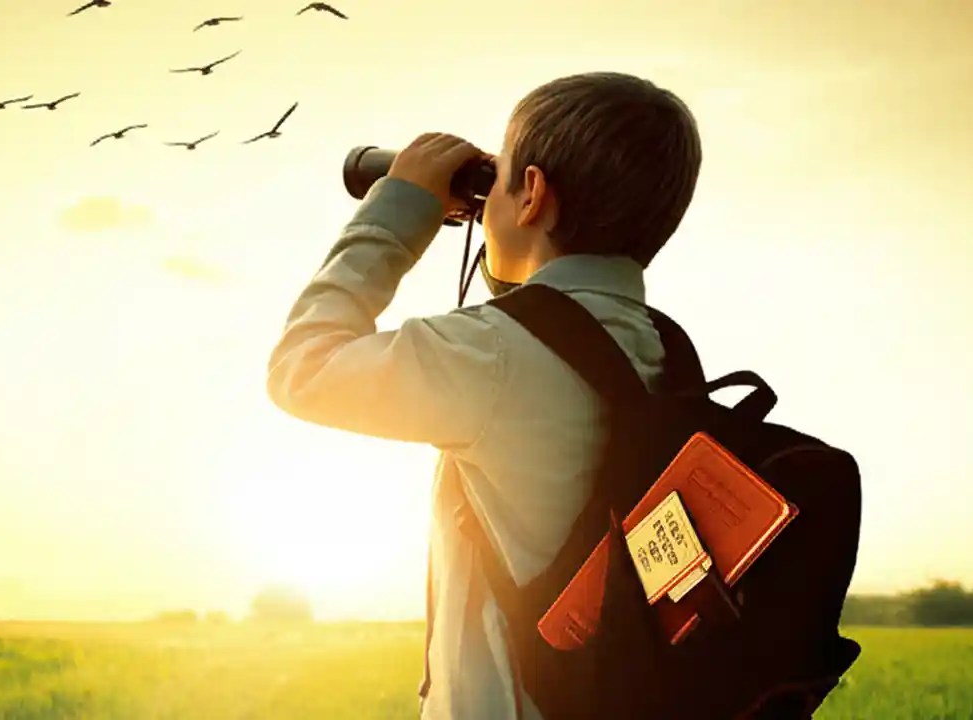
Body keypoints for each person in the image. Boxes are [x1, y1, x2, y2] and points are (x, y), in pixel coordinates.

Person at [265, 71, 702, 719]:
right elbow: (556, 330)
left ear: (531, 194)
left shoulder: (490, 357)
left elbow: (301, 368)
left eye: (496, 181)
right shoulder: (664, 351)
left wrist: (399, 208)